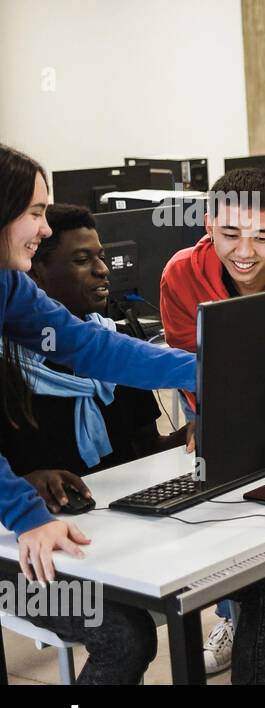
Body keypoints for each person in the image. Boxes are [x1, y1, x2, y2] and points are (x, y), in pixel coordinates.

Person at [0, 144, 265, 685]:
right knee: (123, 634)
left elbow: (89, 345)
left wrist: (212, 370)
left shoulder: (8, 286)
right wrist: (24, 513)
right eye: (37, 213)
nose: (43, 229)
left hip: (53, 520)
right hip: (12, 547)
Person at [159, 167, 265, 685]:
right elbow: (188, 361)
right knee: (223, 506)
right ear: (208, 224)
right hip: (212, 400)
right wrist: (209, 420)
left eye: (262, 236)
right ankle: (233, 620)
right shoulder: (181, 273)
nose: (244, 250)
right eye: (229, 233)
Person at [0, 204, 186, 501]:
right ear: (33, 273)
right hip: (43, 530)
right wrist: (25, 484)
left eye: (101, 257)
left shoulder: (115, 341)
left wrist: (191, 435)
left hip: (128, 515)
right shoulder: (8, 364)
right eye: (82, 260)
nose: (103, 269)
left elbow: (147, 448)